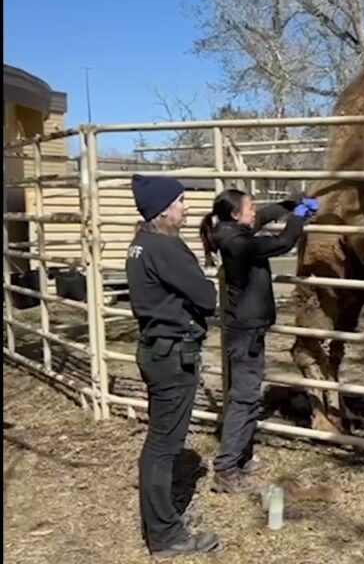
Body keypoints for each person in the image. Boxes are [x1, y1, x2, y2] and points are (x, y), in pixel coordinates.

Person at [198, 188, 318, 493]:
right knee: (245, 399)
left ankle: (240, 457)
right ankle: (226, 469)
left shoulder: (230, 231)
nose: (255, 212)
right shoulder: (238, 243)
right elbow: (283, 242)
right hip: (246, 332)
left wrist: (289, 204)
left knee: (247, 396)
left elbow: (263, 217)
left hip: (248, 328)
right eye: (249, 208)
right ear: (235, 214)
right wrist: (298, 217)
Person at [126, 173, 220, 558]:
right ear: (164, 209)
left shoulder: (140, 244)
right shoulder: (166, 248)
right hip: (172, 355)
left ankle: (162, 522)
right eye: (181, 201)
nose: (187, 207)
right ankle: (165, 535)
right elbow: (207, 298)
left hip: (156, 350)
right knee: (164, 446)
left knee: (159, 443)